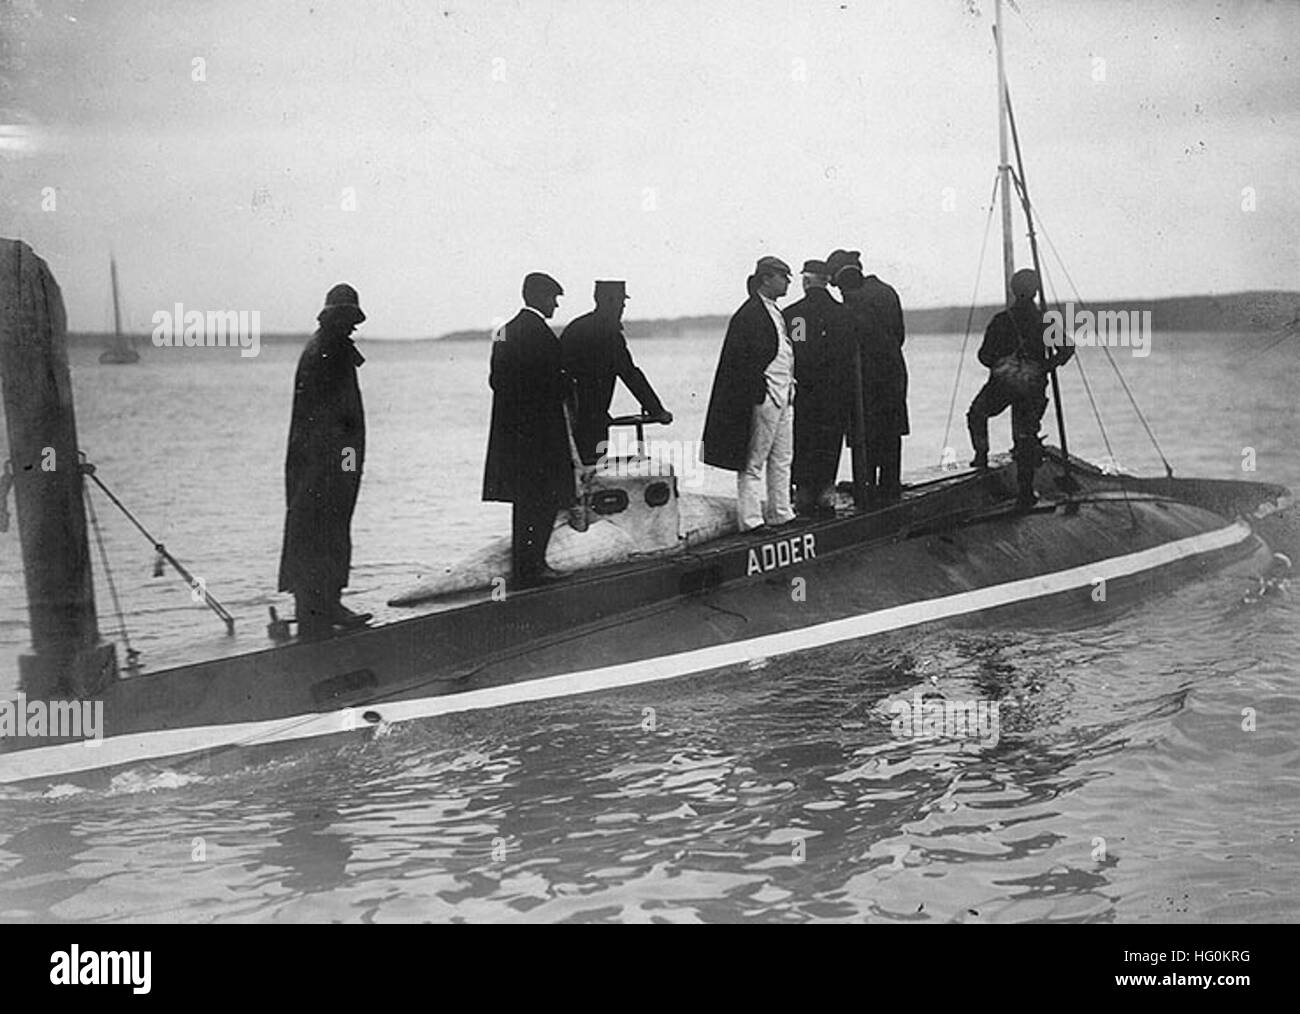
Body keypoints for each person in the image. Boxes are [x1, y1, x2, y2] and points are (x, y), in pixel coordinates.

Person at [278, 283, 372, 639]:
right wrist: (348, 466)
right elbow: (336, 422)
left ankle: (322, 605)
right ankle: (319, 609)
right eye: (349, 318)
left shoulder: (326, 348)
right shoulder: (327, 351)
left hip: (322, 463)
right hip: (325, 465)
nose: (353, 326)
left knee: (322, 533)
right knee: (322, 533)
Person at [483, 271, 573, 587]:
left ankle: (524, 567)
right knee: (545, 500)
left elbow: (496, 382)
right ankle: (535, 567)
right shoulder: (543, 335)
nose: (556, 305)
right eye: (553, 298)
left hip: (513, 436)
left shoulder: (504, 332)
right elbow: (558, 385)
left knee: (524, 502)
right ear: (538, 297)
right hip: (542, 434)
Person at [702, 256, 798, 532]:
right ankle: (752, 519)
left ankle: (781, 512)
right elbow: (742, 362)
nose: (787, 282)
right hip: (766, 395)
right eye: (782, 276)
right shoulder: (749, 314)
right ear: (766, 278)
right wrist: (761, 391)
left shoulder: (775, 312)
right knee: (753, 461)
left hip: (784, 393)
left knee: (782, 458)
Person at [967, 267, 1074, 508]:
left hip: (1002, 385)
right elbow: (1067, 349)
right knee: (1026, 435)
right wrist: (1045, 367)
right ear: (1036, 291)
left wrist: (1002, 365)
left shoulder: (1002, 320)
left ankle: (981, 456)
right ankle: (1026, 491)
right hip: (1033, 386)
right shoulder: (1044, 321)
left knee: (977, 414)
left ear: (1013, 291)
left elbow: (984, 355)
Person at [559, 280, 672, 465]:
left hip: (568, 416)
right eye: (620, 303)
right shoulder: (608, 333)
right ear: (608, 302)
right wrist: (657, 411)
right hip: (592, 419)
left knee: (578, 469)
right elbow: (629, 373)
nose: (622, 308)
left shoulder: (576, 327)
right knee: (595, 467)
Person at [830, 249, 909, 504]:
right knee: (890, 432)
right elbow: (899, 335)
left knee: (865, 433)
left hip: (866, 377)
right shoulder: (886, 290)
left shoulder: (853, 299)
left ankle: (867, 488)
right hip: (894, 371)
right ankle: (889, 486)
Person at [783, 259, 854, 516]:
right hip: (835, 391)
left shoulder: (795, 314)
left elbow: (797, 349)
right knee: (829, 440)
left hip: (805, 390)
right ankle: (826, 492)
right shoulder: (843, 313)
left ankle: (803, 493)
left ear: (805, 281)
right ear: (826, 281)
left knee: (803, 440)